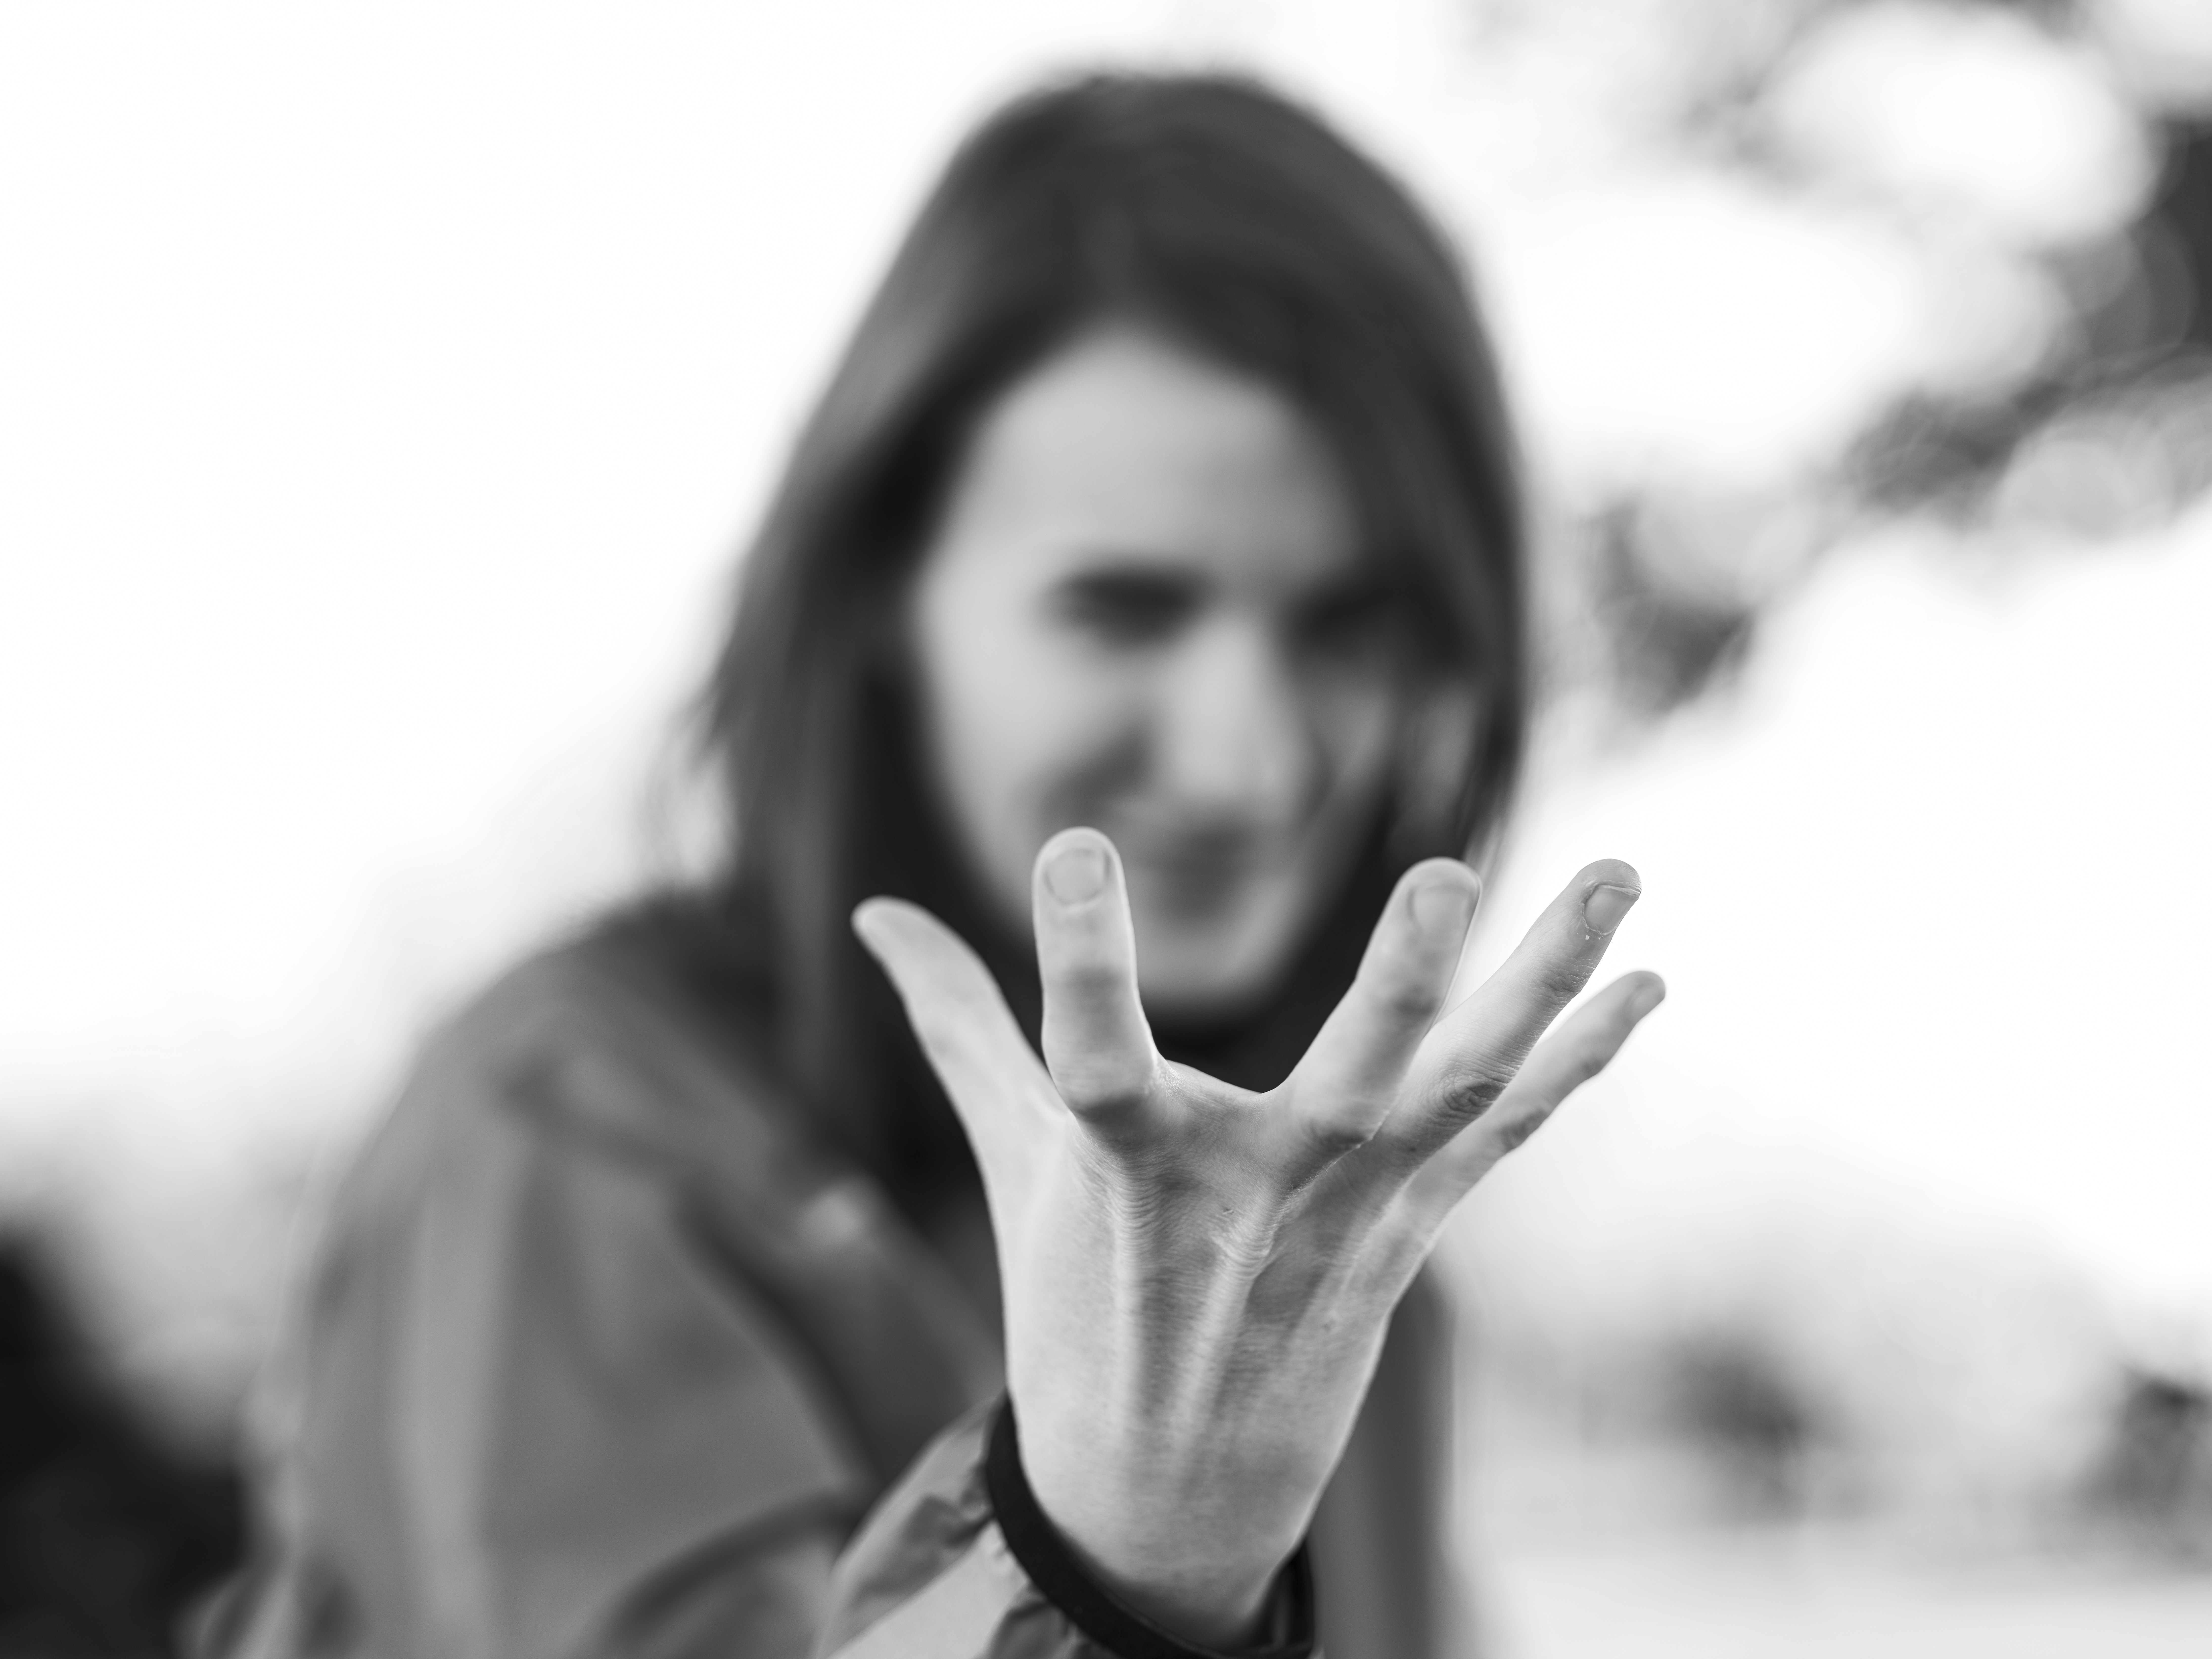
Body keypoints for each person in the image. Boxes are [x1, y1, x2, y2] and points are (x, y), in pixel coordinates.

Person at [206, 71, 1662, 1659]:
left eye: (1351, 625)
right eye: (1124, 608)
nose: (1249, 758)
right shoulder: (571, 1131)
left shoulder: (1324, 1244)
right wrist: (1108, 1570)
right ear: (885, 594)